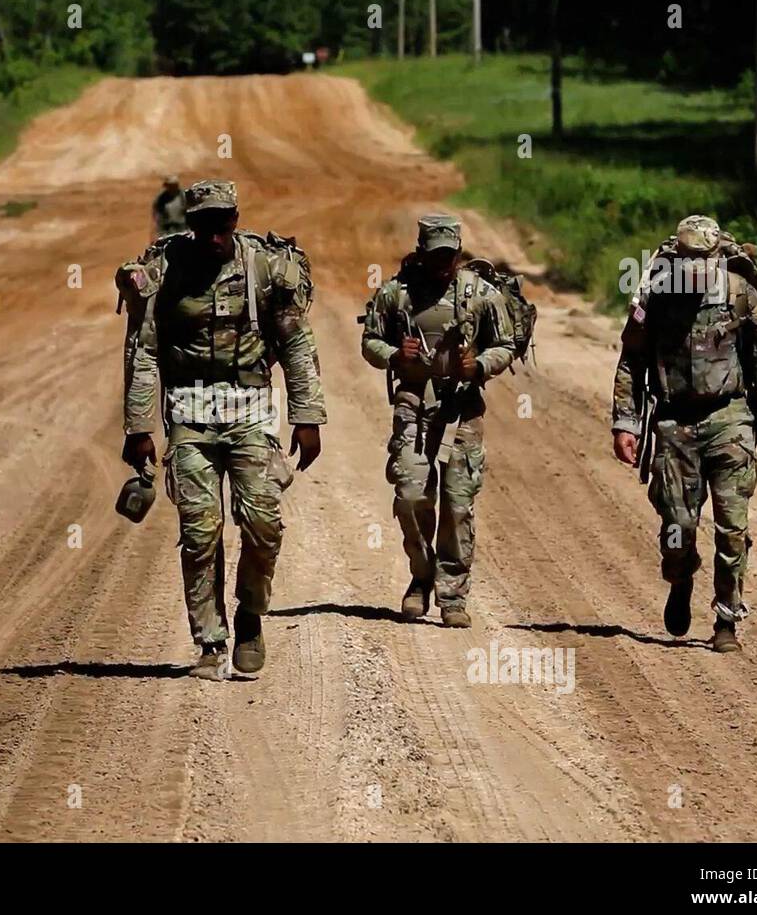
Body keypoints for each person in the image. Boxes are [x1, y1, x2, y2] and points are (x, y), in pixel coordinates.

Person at [116, 179, 325, 679]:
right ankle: (209, 641)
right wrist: (139, 425)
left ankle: (250, 612)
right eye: (204, 224)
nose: (214, 235)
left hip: (250, 409)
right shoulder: (166, 269)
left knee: (262, 524)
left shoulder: (263, 267)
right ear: (190, 225)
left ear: (235, 220)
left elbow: (295, 342)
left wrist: (307, 414)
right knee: (200, 530)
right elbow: (142, 349)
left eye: (223, 223)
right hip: (188, 412)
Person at [612, 214, 757, 653]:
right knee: (678, 525)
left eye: (706, 260)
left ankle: (726, 619)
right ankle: (681, 578)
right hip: (674, 422)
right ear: (677, 258)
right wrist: (625, 422)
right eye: (690, 260)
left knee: (732, 527)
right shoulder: (656, 297)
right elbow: (631, 361)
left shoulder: (740, 295)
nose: (698, 268)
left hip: (730, 420)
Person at [360, 214, 516, 626]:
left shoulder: (481, 296)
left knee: (458, 505)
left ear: (459, 253)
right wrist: (395, 355)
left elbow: (506, 345)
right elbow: (369, 341)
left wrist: (478, 366)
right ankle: (420, 574)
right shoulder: (395, 294)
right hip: (413, 406)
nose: (444, 263)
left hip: (461, 411)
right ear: (422, 252)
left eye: (450, 255)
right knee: (411, 496)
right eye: (436, 255)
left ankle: (452, 596)